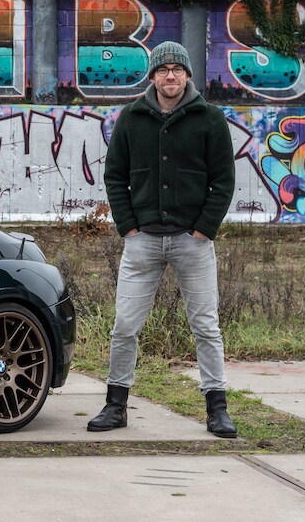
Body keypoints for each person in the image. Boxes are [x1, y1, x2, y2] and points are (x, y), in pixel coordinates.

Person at [88, 41, 238, 438]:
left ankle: (216, 408)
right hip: (143, 242)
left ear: (187, 75)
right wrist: (128, 226)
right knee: (124, 326)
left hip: (194, 241)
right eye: (162, 69)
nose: (170, 75)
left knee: (206, 326)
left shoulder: (209, 118)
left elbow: (223, 180)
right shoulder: (131, 118)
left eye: (177, 69)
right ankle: (115, 406)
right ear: (152, 76)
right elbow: (115, 176)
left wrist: (204, 228)